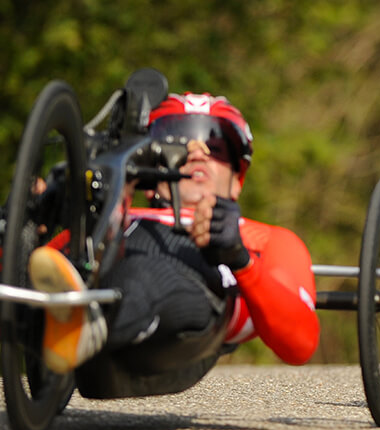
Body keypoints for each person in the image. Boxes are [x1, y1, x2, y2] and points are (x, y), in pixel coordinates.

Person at [27, 93, 320, 374]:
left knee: (148, 264)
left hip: (193, 301)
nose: (197, 154)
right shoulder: (117, 217)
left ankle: (86, 323)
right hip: (99, 271)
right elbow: (41, 268)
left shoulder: (268, 239)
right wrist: (31, 224)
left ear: (236, 181)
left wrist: (239, 258)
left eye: (215, 149)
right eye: (176, 145)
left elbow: (300, 345)